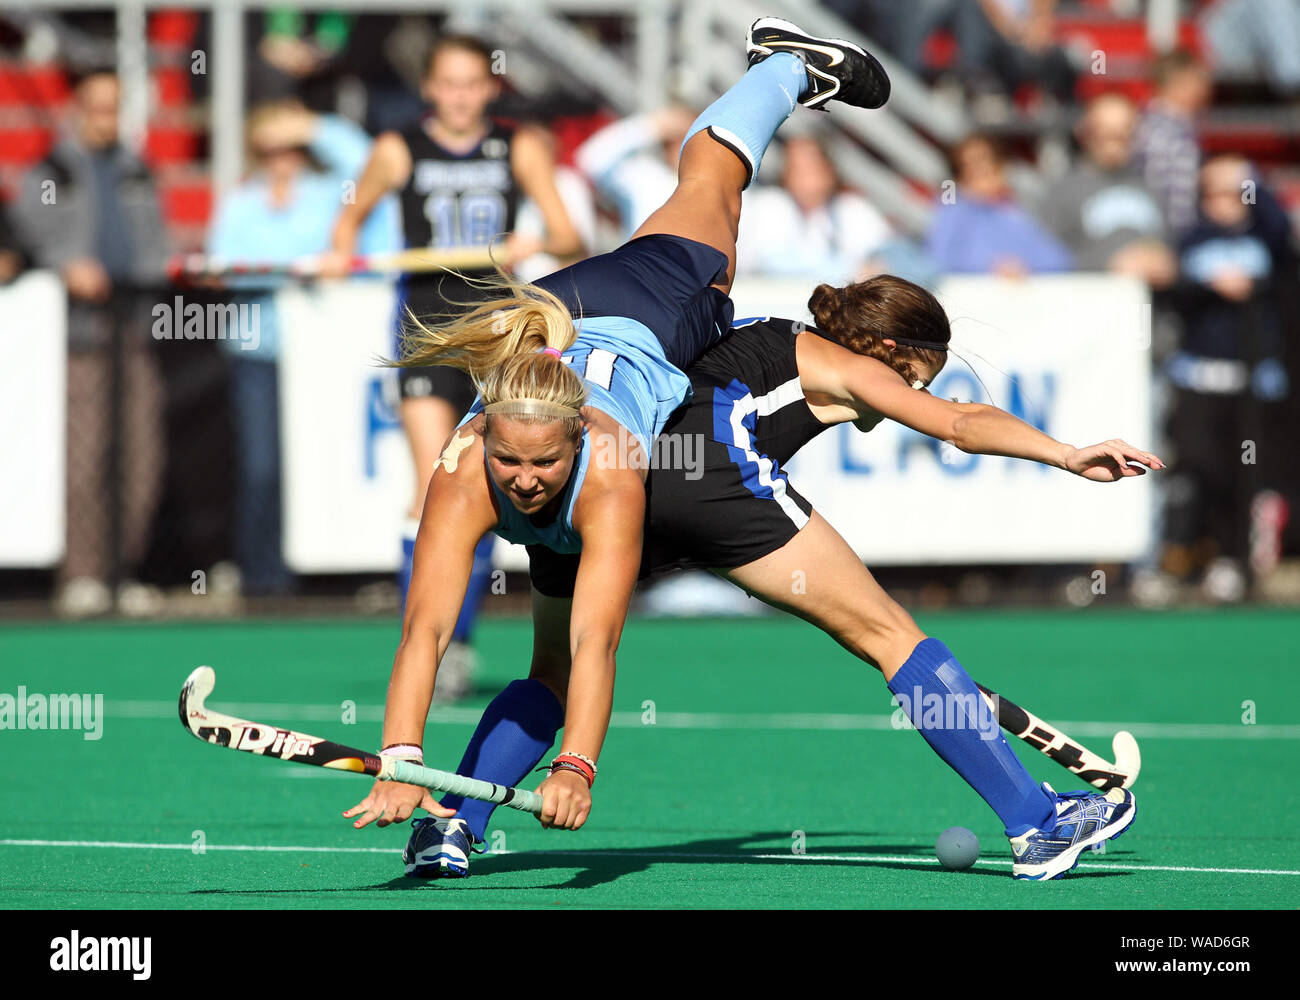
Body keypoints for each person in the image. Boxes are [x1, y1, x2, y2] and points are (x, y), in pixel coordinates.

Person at [391, 273, 1156, 882]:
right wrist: (1063, 452)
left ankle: (456, 823)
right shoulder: (832, 360)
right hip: (714, 483)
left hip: (608, 481)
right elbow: (957, 423)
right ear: (889, 350)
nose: (907, 399)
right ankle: (1036, 822)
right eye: (915, 378)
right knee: (892, 637)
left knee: (551, 673)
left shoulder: (744, 332)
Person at [338, 14, 894, 841]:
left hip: (649, 307)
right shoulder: (466, 470)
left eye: (537, 466)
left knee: (712, 193)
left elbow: (604, 642)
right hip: (576, 302)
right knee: (546, 669)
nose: (521, 480)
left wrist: (578, 766)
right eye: (510, 466)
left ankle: (784, 69)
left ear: (570, 445)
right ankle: (452, 827)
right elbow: (422, 626)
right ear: (486, 438)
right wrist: (400, 750)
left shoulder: (608, 474)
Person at [326, 33, 582, 700]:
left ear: (489, 88)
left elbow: (568, 233)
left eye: (474, 83)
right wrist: (340, 251)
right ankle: (424, 639)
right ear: (430, 89)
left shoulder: (517, 145)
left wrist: (535, 239)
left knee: (494, 487)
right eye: (450, 84)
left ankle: (458, 642)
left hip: (499, 331)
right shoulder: (398, 148)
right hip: (425, 329)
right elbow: (349, 220)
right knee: (431, 485)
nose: (462, 96)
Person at [206, 99, 400, 597]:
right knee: (262, 466)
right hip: (262, 353)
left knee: (326, 458)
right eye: (270, 150)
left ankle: (337, 574)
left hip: (326, 356)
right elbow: (220, 263)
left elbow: (375, 167)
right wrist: (293, 267)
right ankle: (264, 579)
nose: (282, 159)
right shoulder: (240, 202)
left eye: (293, 148)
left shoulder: (326, 195)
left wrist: (318, 125)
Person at [11, 67, 168, 617]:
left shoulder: (136, 171)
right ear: (78, 108)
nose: (105, 118)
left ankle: (124, 570)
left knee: (141, 452)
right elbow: (26, 236)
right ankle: (82, 574)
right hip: (80, 331)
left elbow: (155, 243)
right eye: (96, 107)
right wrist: (64, 266)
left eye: (113, 107)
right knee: (85, 453)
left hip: (133, 325)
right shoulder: (52, 171)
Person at [1166, 154, 1298, 601]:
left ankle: (1239, 559)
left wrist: (1251, 183)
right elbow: (1175, 288)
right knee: (1201, 464)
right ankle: (1202, 553)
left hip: (1254, 376)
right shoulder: (1193, 239)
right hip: (1202, 373)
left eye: (1233, 191)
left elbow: (1281, 236)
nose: (1222, 201)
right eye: (1212, 192)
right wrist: (1209, 286)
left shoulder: (1265, 234)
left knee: (1248, 471)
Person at [1035, 93, 1176, 287]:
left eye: (1125, 134)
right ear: (1085, 133)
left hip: (1150, 308)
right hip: (1095, 307)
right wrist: (1107, 265)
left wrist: (1165, 262)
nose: (1115, 143)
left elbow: (1169, 248)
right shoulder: (1061, 191)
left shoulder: (1150, 187)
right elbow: (1045, 263)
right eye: (1106, 134)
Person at [734, 133, 892, 283]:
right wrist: (850, 270)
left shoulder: (854, 209)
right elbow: (773, 266)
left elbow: (881, 262)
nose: (806, 176)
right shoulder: (771, 204)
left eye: (813, 166)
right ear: (785, 174)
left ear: (829, 171)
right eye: (797, 168)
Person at [927, 133, 1074, 277]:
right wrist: (988, 267)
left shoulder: (1024, 208)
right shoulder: (951, 209)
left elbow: (1059, 260)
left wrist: (1024, 267)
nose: (980, 170)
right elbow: (938, 260)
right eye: (969, 166)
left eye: (986, 161)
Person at [1131, 49, 1213, 240]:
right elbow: (1174, 205)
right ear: (1182, 82)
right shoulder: (1161, 133)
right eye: (1200, 80)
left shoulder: (1175, 129)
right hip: (1164, 241)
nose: (1207, 88)